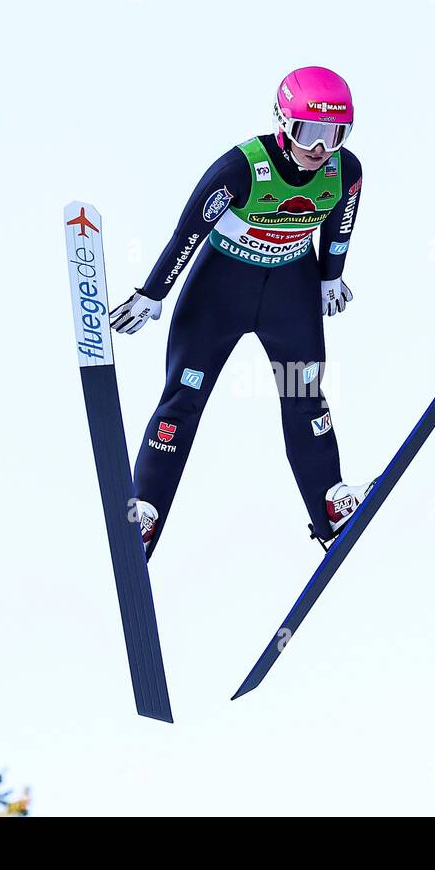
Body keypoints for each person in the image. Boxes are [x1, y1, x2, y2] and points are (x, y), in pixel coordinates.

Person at [109, 66, 369, 557]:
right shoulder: (241, 169)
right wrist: (153, 292)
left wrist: (332, 275)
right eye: (310, 132)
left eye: (335, 135)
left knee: (304, 394)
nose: (320, 148)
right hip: (220, 292)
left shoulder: (344, 170)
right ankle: (145, 511)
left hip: (289, 295)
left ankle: (329, 504)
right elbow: (188, 232)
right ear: (283, 124)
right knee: (183, 399)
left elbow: (341, 222)